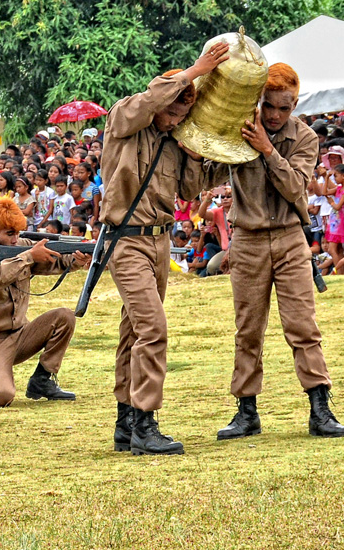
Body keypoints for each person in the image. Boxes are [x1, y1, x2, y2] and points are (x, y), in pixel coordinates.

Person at [98, 41, 228, 455]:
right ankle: (146, 423)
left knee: (134, 331)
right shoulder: (124, 119)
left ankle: (126, 420)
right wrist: (193, 71)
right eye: (172, 109)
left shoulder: (173, 142)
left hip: (159, 243)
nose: (174, 118)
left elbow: (191, 188)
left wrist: (204, 153)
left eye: (182, 113)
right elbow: (147, 102)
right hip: (127, 241)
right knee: (153, 330)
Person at [205, 63, 344, 440]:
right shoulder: (241, 129)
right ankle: (246, 411)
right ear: (259, 100)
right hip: (247, 238)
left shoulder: (304, 137)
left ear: (295, 104)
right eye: (269, 106)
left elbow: (296, 188)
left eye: (284, 108)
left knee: (303, 326)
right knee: (247, 328)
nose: (275, 115)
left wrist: (266, 149)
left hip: (289, 237)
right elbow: (209, 172)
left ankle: (320, 408)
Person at [0, 198, 87, 407]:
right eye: (10, 234)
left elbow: (52, 261)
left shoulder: (22, 247)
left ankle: (42, 380)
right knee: (0, 397)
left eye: (18, 233)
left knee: (64, 316)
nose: (16, 239)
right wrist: (27, 257)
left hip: (21, 334)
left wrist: (75, 260)